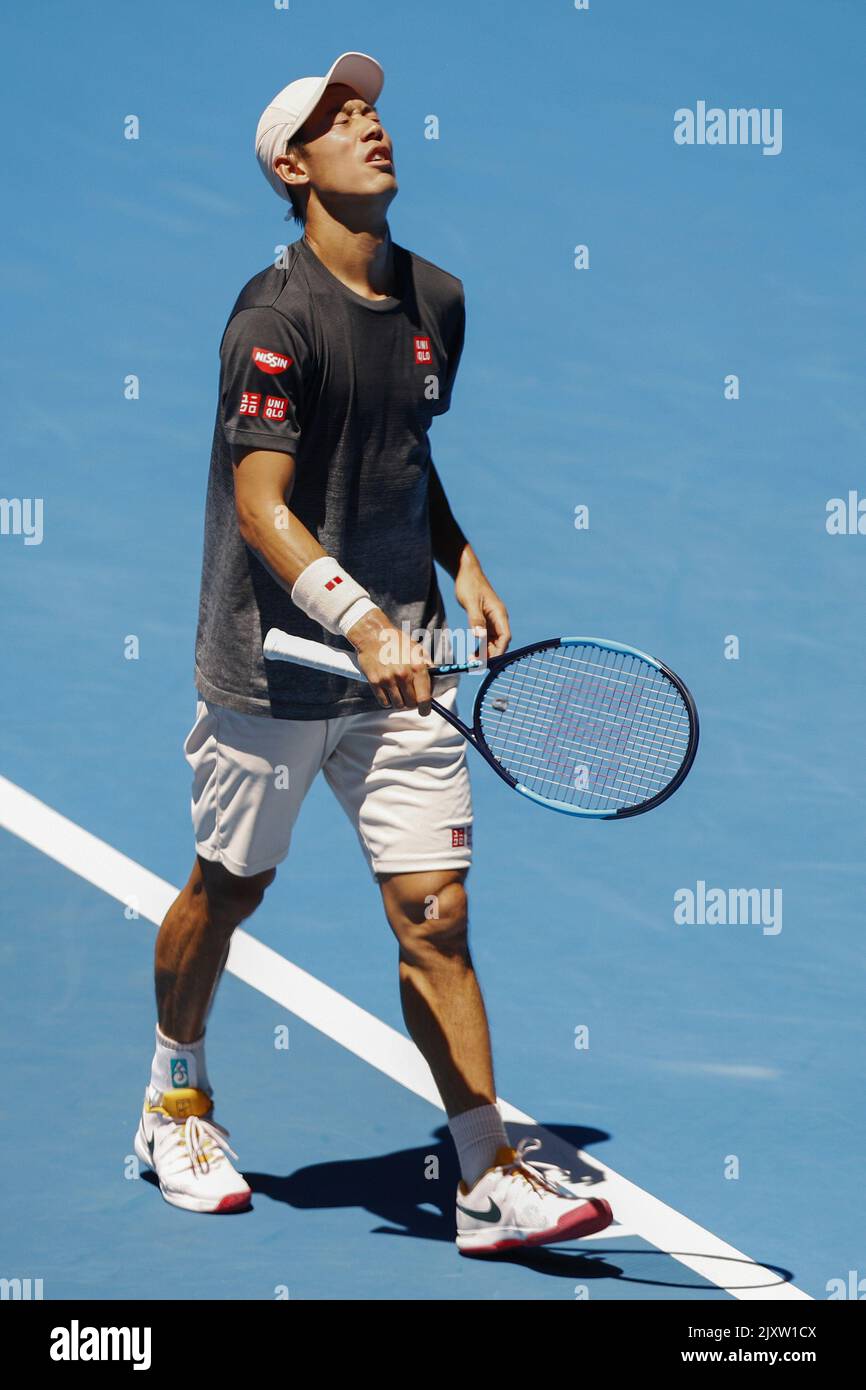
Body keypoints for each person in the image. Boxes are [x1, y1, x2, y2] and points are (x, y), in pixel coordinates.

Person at [134, 50, 613, 1256]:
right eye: (339, 122)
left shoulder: (435, 300)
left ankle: (483, 1173)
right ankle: (174, 1096)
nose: (371, 128)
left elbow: (400, 449)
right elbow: (261, 504)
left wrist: (462, 558)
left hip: (410, 666)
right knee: (228, 887)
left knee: (434, 919)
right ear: (292, 169)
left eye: (374, 113)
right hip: (275, 667)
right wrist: (357, 618)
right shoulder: (272, 319)